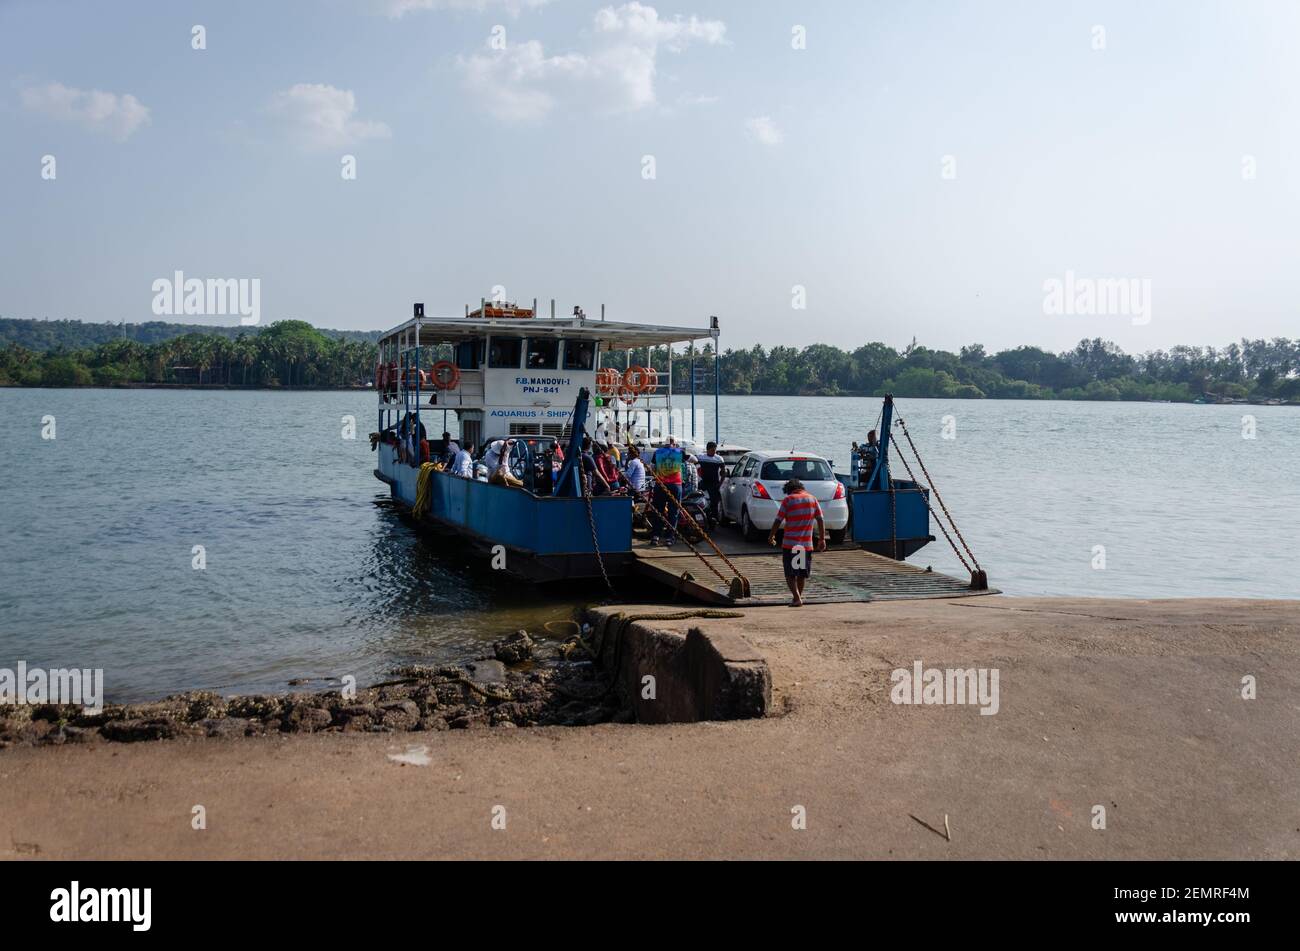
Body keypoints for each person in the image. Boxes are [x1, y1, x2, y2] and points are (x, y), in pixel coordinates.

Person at [767, 478, 825, 607]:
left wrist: (771, 536)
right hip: (805, 545)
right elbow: (820, 519)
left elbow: (778, 520)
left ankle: (797, 597)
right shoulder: (812, 499)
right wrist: (821, 539)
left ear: (789, 490)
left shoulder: (788, 500)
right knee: (801, 574)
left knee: (790, 573)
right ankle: (797, 597)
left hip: (790, 544)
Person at [648, 437, 684, 545]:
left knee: (658, 511)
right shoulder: (679, 452)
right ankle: (669, 538)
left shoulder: (657, 452)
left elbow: (652, 467)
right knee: (674, 512)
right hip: (675, 485)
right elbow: (694, 460)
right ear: (674, 443)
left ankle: (655, 536)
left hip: (661, 484)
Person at [695, 441, 726, 523]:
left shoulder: (719, 459)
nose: (714, 452)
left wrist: (720, 483)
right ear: (707, 450)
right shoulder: (701, 457)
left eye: (715, 450)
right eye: (712, 450)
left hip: (714, 484)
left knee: (714, 502)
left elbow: (723, 472)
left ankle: (714, 519)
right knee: (695, 497)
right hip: (704, 482)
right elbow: (692, 461)